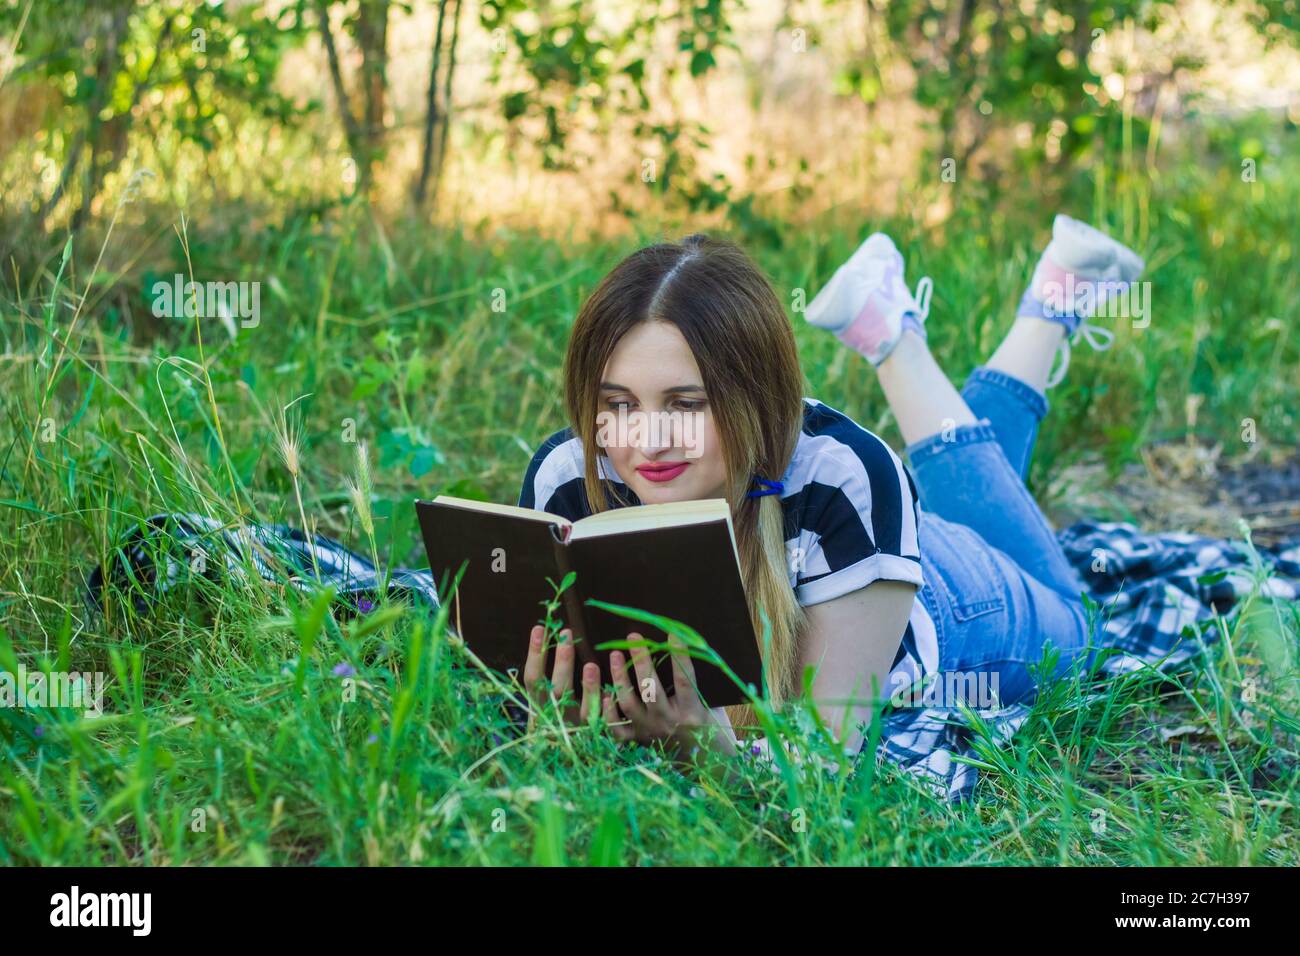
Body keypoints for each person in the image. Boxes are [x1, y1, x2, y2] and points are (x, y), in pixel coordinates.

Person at [516, 217, 1146, 769]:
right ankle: (1027, 308)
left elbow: (825, 766)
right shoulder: (570, 479)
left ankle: (908, 341)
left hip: (955, 606)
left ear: (756, 402)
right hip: (879, 547)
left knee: (1087, 629)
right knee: (970, 497)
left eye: (686, 404)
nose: (646, 442)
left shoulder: (844, 480)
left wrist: (708, 754)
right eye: (618, 403)